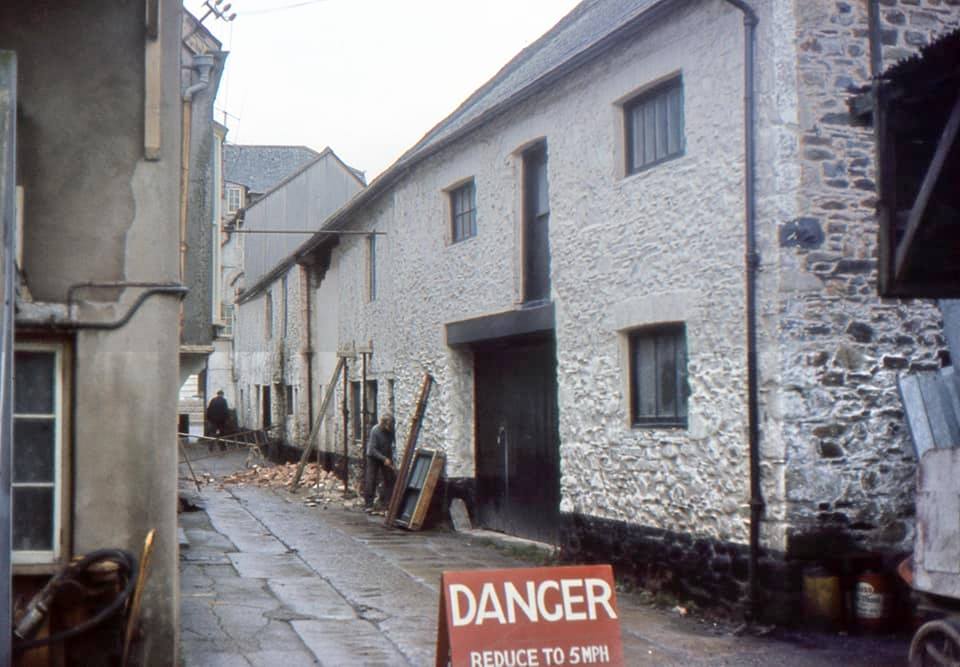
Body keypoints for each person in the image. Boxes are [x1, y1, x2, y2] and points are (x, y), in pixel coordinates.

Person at [364, 414, 396, 511]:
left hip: (385, 455)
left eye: (392, 426)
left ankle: (386, 503)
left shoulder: (391, 430)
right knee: (371, 479)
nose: (390, 428)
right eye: (389, 425)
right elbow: (372, 449)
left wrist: (391, 459)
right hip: (373, 456)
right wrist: (384, 459)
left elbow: (392, 445)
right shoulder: (375, 430)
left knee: (389, 478)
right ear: (383, 423)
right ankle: (369, 504)